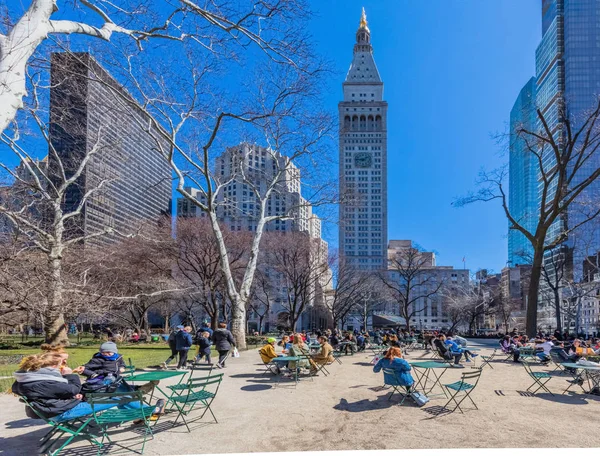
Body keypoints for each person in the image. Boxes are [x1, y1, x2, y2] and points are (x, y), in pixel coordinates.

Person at [12, 352, 159, 422]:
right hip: (62, 412)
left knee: (116, 394)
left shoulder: (27, 380)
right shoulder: (44, 381)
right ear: (50, 367)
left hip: (54, 409)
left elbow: (54, 393)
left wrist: (71, 395)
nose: (62, 367)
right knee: (118, 397)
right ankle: (149, 408)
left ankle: (140, 410)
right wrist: (70, 375)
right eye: (60, 365)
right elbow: (75, 389)